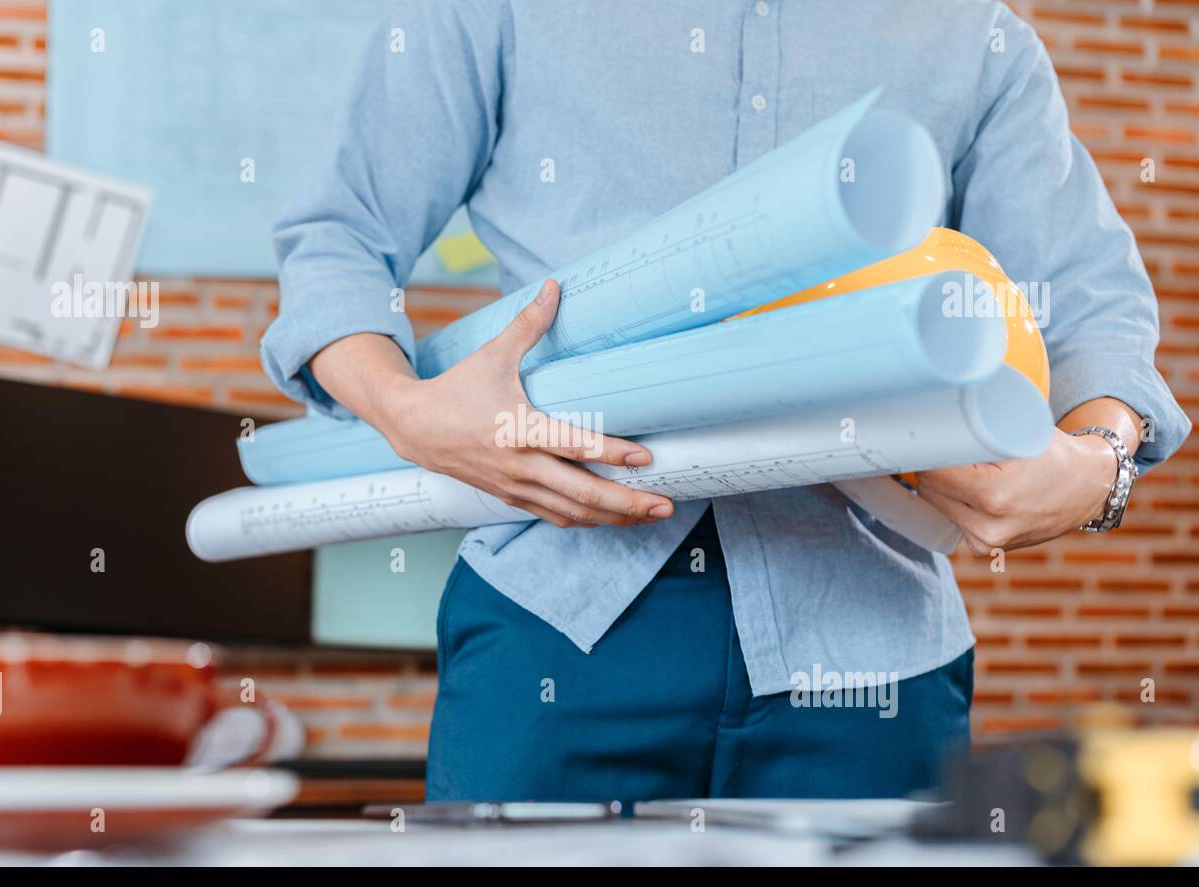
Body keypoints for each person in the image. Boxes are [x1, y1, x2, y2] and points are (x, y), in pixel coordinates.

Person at [261, 1, 1190, 803]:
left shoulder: (969, 31)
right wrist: (406, 408)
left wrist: (1096, 463)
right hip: (558, 620)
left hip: (872, 651)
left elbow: (1090, 306)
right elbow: (341, 236)